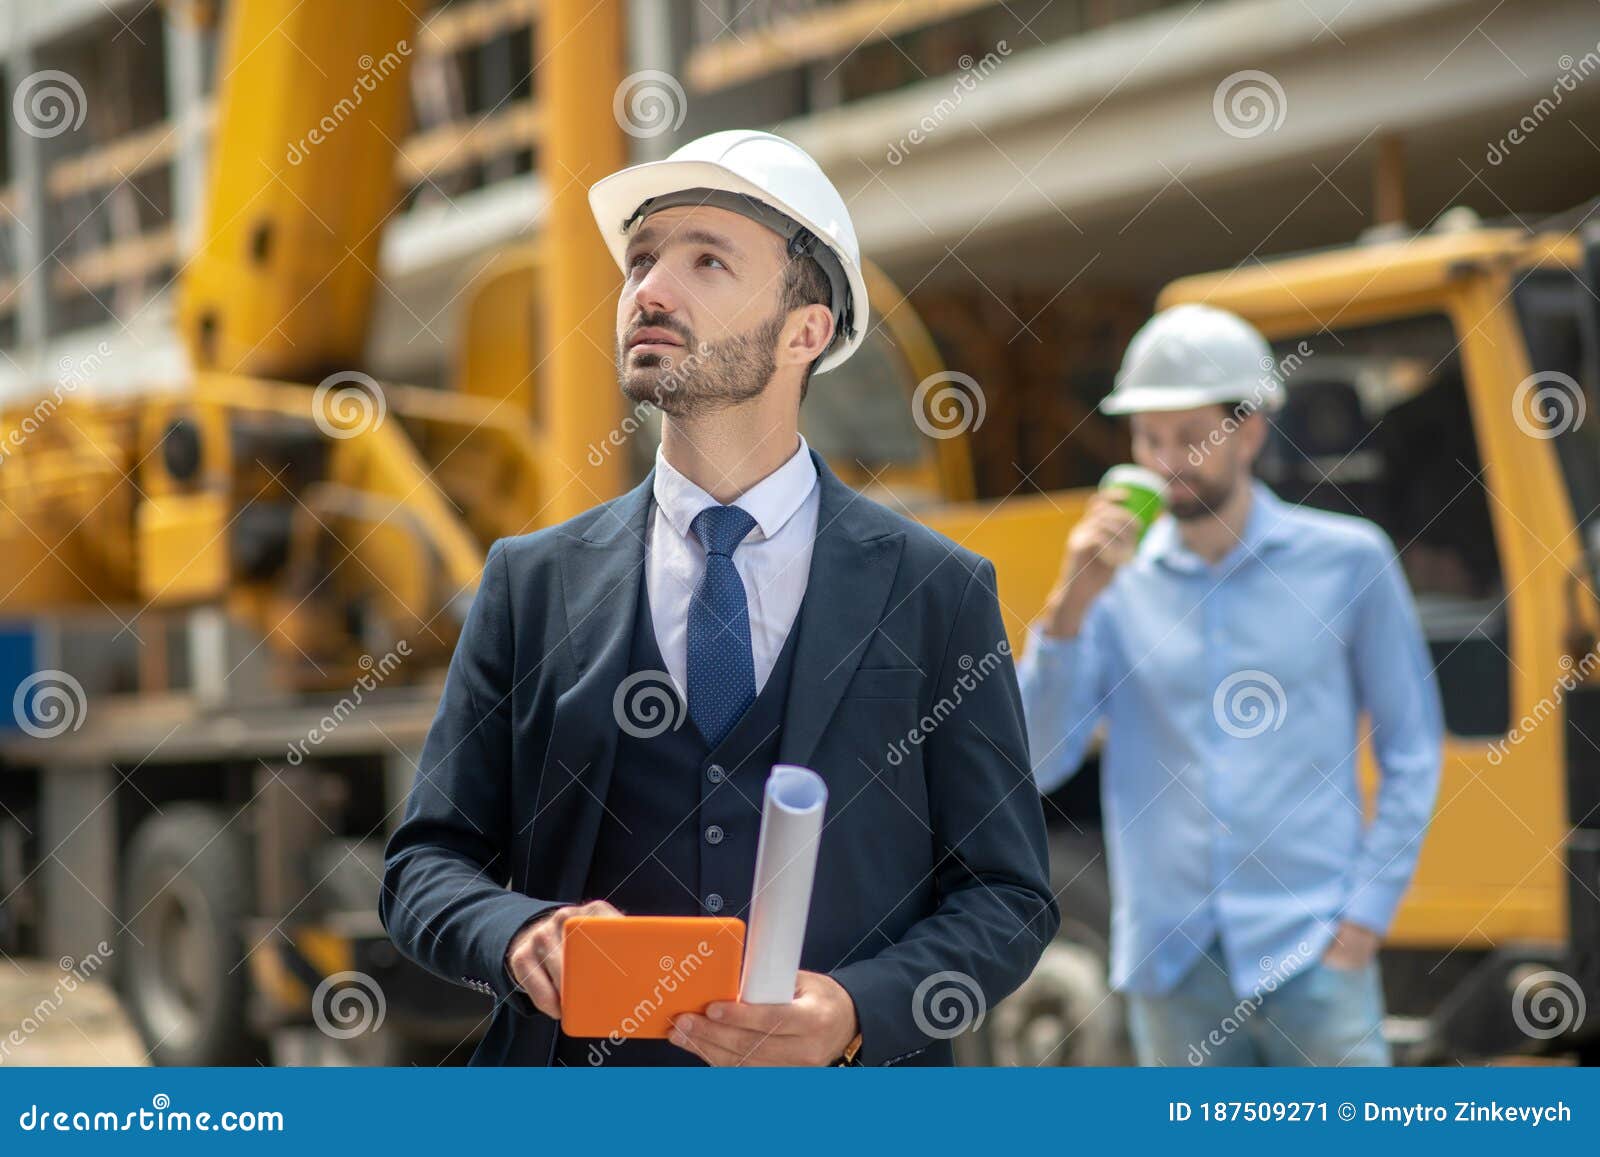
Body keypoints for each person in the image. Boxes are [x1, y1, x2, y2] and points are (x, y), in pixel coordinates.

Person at [381, 129, 1057, 1067]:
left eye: (707, 261)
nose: (649, 290)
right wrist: (518, 934)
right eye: (643, 260)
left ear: (804, 330)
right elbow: (423, 865)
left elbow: (1008, 894)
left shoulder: (936, 589)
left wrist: (856, 1012)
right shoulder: (530, 582)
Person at [1017, 304, 1443, 1066]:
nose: (1166, 460)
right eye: (1149, 439)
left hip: (1314, 950)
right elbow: (1037, 762)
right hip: (1170, 968)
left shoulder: (1349, 561)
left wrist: (1365, 918)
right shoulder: (1111, 589)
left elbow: (1412, 748)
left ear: (1249, 431)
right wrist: (1070, 602)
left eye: (1189, 437)